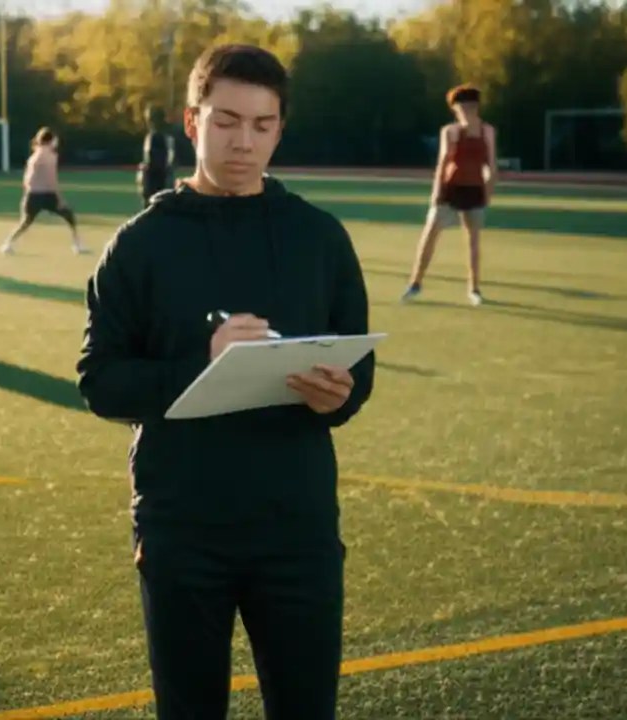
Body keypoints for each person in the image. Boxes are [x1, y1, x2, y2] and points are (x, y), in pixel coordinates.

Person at [76, 44, 374, 720]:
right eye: (227, 121)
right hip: (184, 531)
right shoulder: (141, 244)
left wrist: (340, 397)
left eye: (262, 126)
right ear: (192, 122)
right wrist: (199, 363)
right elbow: (102, 383)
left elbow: (360, 375)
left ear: (280, 129)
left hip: (297, 530)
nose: (244, 142)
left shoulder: (319, 238)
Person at [402, 83, 497, 306]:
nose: (466, 111)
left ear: (477, 107)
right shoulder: (450, 131)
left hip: (475, 189)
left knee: (473, 239)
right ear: (455, 109)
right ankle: (415, 283)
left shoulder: (488, 131)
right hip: (450, 188)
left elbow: (491, 164)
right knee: (430, 233)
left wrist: (488, 191)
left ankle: (474, 288)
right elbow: (443, 162)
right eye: (461, 107)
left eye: (470, 106)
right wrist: (437, 191)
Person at [0, 127, 88, 255]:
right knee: (69, 215)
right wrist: (59, 197)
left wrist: (28, 192)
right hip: (47, 194)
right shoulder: (50, 156)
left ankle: (8, 243)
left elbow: (27, 178)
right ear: (50, 140)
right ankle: (77, 245)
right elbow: (52, 179)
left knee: (26, 221)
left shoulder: (34, 155)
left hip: (32, 194)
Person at [137, 105, 177, 206]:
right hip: (163, 180)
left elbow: (156, 162)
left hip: (156, 182)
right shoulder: (166, 136)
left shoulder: (155, 137)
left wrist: (145, 168)